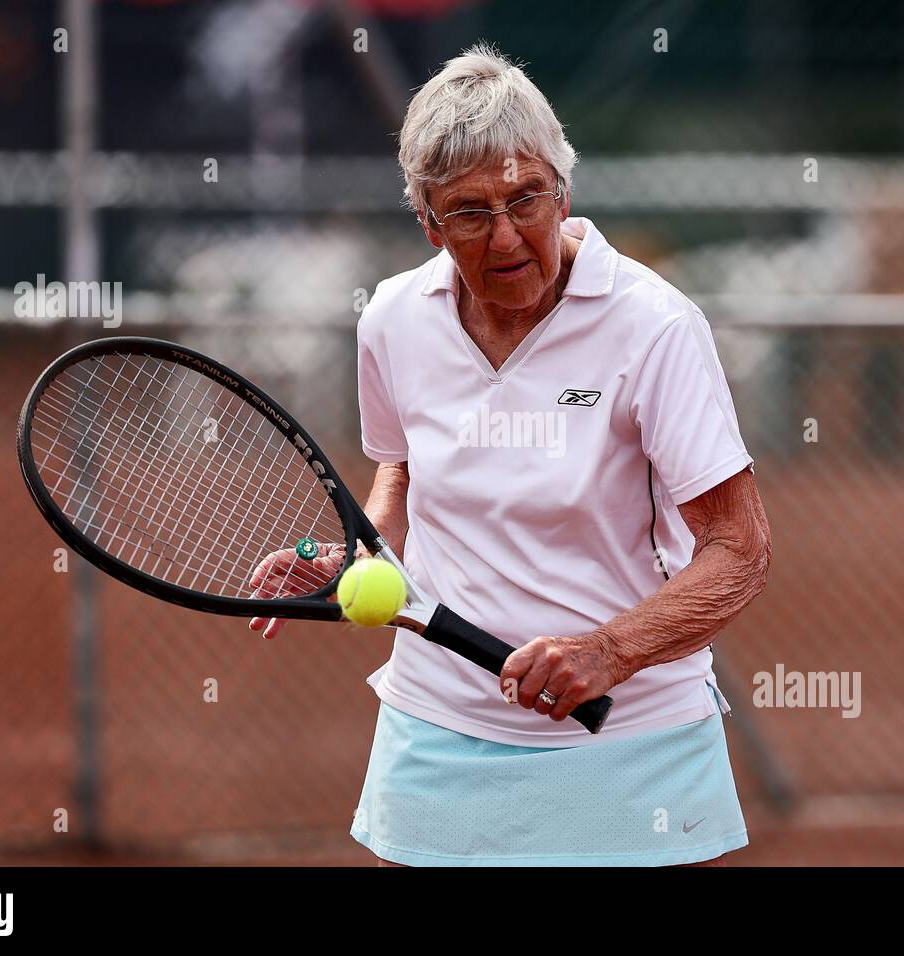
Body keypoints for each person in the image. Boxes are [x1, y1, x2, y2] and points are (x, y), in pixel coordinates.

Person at [251, 42, 771, 867]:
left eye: (526, 198)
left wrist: (609, 652)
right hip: (437, 733)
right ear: (426, 220)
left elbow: (739, 550)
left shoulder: (656, 327)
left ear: (564, 191)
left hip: (633, 747)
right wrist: (354, 556)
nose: (505, 237)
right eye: (468, 213)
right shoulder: (392, 318)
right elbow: (404, 474)